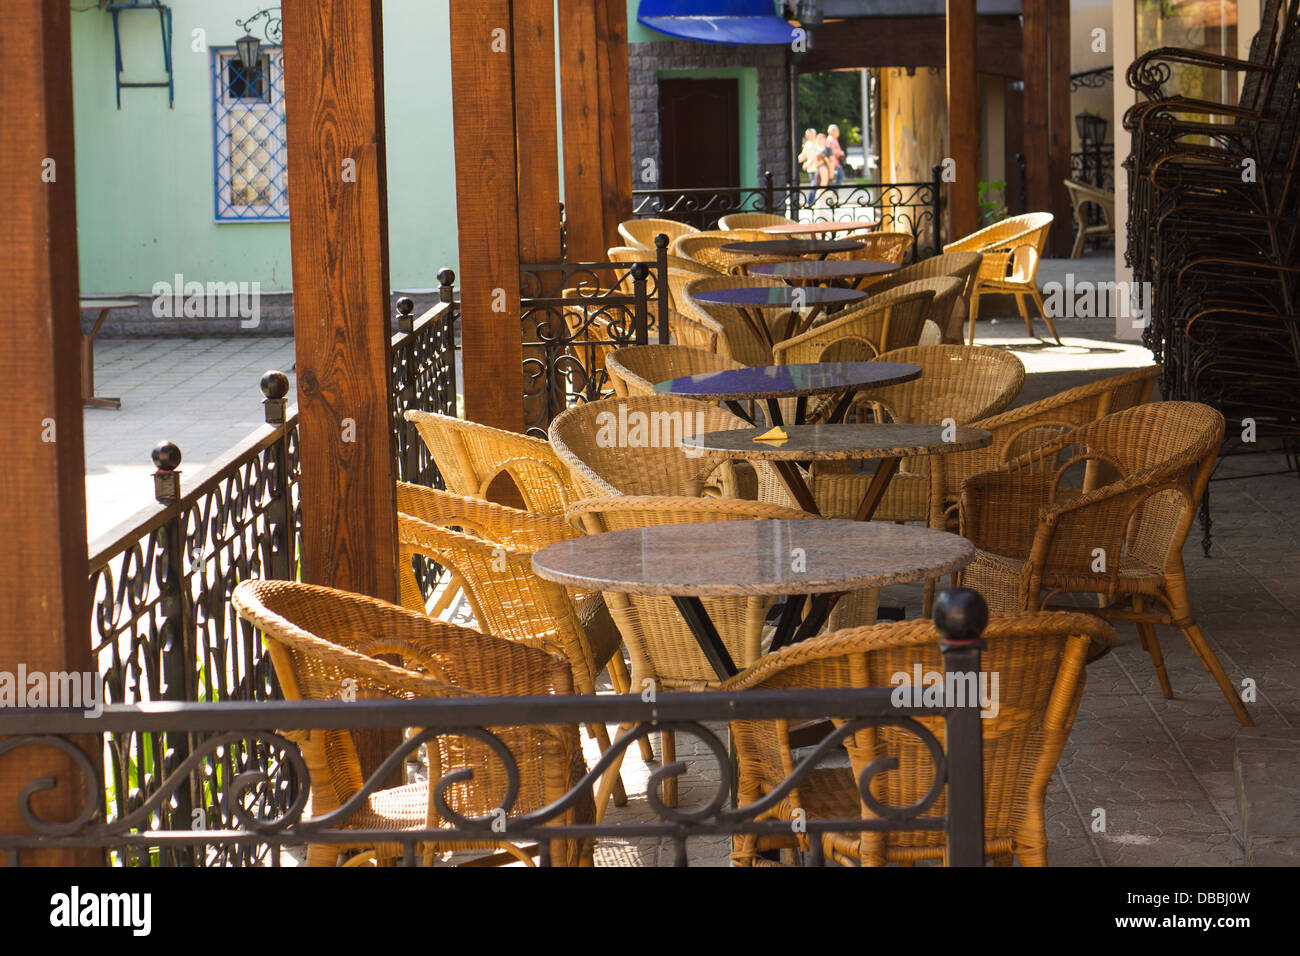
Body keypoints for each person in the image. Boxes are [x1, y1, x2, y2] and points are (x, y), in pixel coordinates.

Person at [797, 128, 819, 205]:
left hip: (818, 168)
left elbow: (817, 155)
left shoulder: (818, 142)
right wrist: (799, 158)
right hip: (811, 169)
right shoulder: (807, 144)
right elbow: (804, 155)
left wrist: (807, 163)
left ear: (813, 134)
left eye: (808, 134)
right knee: (815, 185)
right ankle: (812, 202)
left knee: (815, 185)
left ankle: (811, 202)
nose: (806, 136)